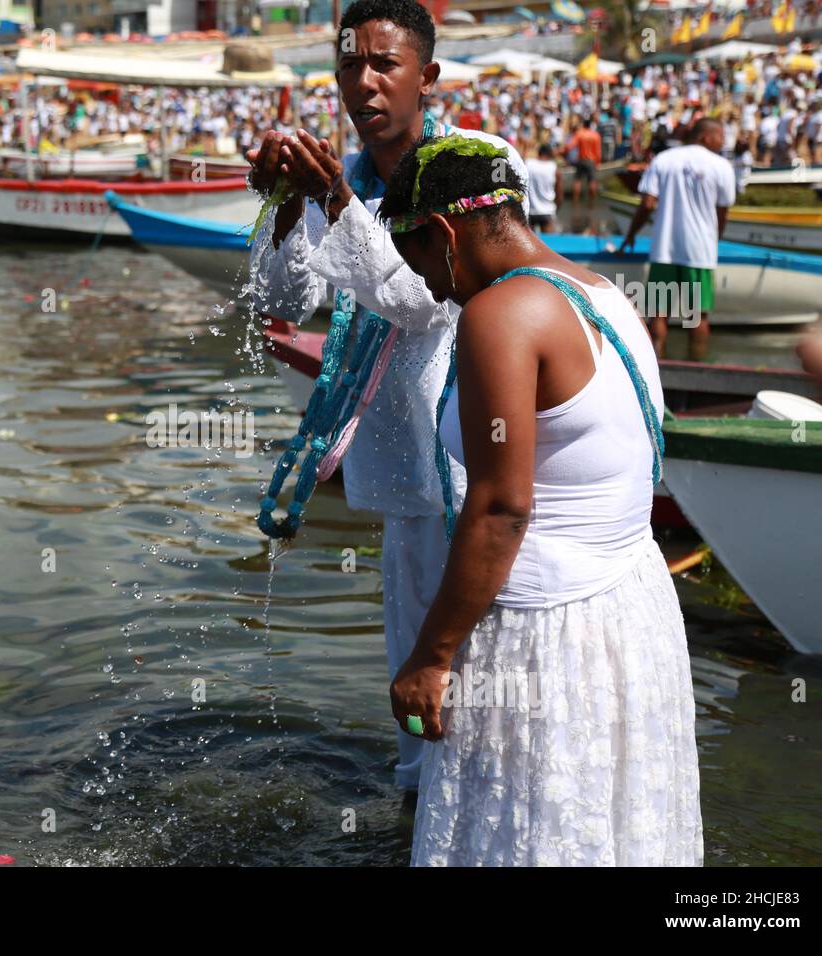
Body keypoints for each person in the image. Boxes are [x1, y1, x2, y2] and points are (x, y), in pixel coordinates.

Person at [377, 132, 701, 866]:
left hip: (544, 635)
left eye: (420, 261)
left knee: (522, 835)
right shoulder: (603, 294)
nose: (430, 287)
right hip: (629, 609)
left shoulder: (501, 314)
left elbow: (501, 506)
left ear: (442, 232)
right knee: (607, 826)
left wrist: (431, 655)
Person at [246, 0, 528, 795]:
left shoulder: (476, 164)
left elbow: (425, 301)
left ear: (427, 78)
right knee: (413, 675)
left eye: (385, 65)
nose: (363, 83)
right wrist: (286, 204)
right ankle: (420, 818)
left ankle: (482, 815)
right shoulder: (350, 178)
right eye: (349, 66)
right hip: (401, 463)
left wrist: (332, 199)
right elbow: (282, 298)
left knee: (483, 683)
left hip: (476, 464)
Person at [618, 118, 735, 360]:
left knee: (658, 314)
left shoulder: (664, 159)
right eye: (720, 136)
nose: (723, 142)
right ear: (705, 137)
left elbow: (648, 204)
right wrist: (716, 238)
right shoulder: (721, 166)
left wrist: (631, 234)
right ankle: (698, 373)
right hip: (700, 253)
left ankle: (656, 368)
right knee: (697, 317)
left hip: (664, 249)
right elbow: (722, 212)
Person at [564, 117, 602, 203]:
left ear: (583, 125)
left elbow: (570, 146)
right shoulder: (596, 135)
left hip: (581, 160)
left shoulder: (580, 134)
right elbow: (598, 151)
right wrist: (598, 163)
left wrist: (563, 152)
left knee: (577, 181)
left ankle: (575, 201)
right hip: (591, 161)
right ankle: (592, 202)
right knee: (592, 181)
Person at [524, 142, 560, 232]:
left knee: (530, 245)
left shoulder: (528, 164)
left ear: (539, 153)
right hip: (547, 212)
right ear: (550, 154)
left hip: (529, 212)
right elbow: (560, 196)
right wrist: (555, 209)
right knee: (549, 243)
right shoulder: (554, 168)